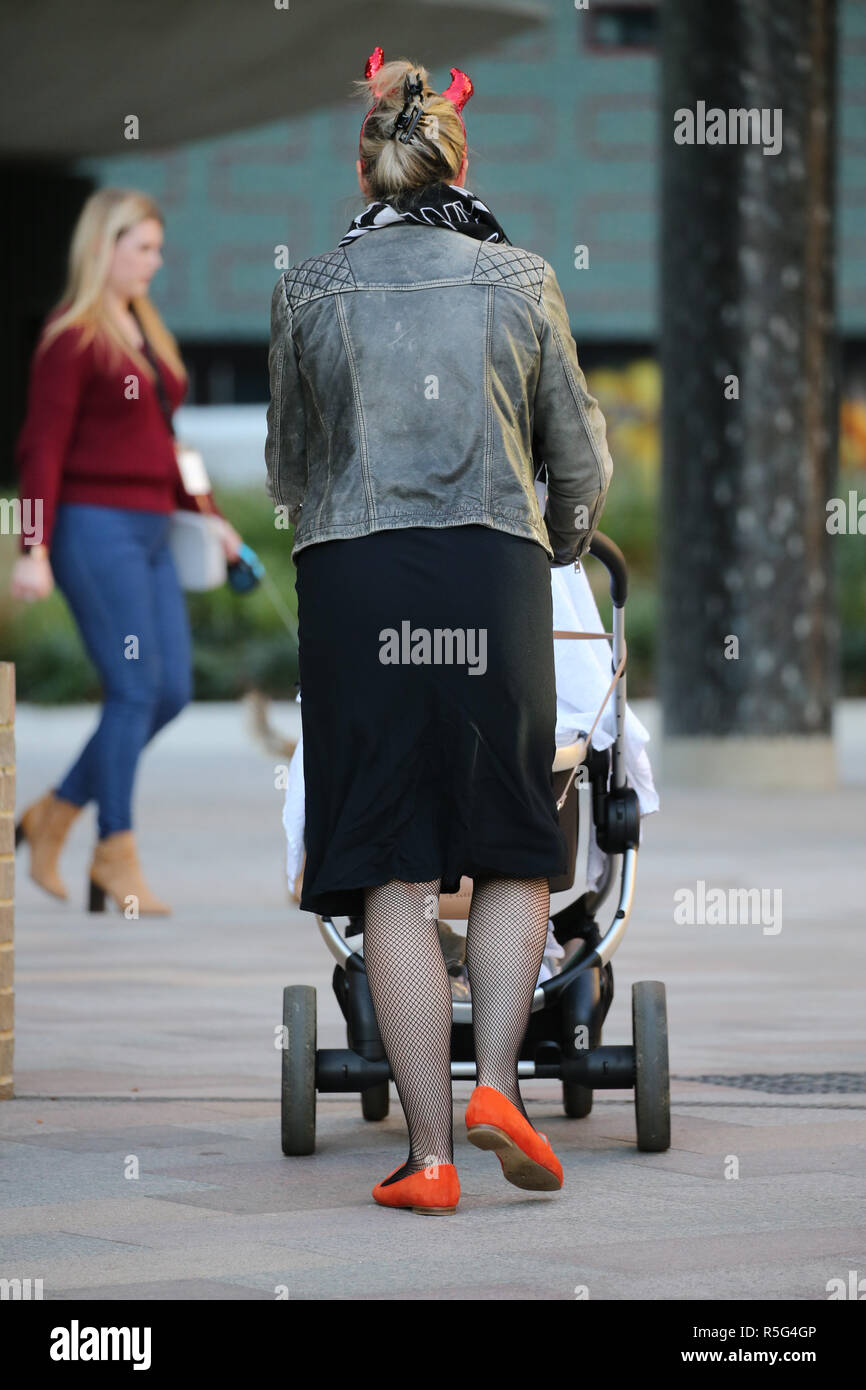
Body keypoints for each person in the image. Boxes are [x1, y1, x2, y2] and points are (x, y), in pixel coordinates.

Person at [265, 49, 613, 1215]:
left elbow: (289, 468)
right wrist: (555, 547)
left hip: (356, 581)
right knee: (514, 839)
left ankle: (426, 1161)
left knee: (387, 855)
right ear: (458, 160)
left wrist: (338, 533)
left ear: (361, 167)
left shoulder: (308, 290)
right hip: (491, 567)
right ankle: (500, 1085)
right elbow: (579, 459)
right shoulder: (518, 279)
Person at [12, 188, 242, 916]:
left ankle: (53, 813)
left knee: (169, 691)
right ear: (103, 249)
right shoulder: (71, 336)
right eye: (142, 247)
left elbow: (169, 443)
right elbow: (38, 449)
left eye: (156, 247)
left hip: (151, 529)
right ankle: (115, 851)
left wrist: (213, 518)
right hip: (94, 528)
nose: (155, 261)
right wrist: (31, 545)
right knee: (135, 688)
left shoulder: (142, 329)